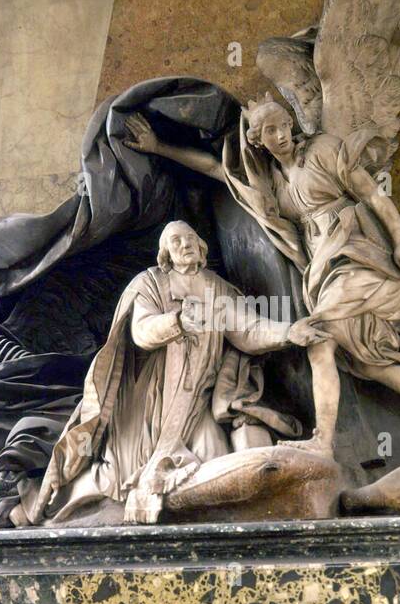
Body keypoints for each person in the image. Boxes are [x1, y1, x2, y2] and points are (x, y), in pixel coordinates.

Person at [124, 102, 400, 458]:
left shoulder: (324, 150)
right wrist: (158, 147)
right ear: (257, 140)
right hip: (321, 269)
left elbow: (372, 194)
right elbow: (216, 168)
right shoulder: (269, 182)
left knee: (319, 340)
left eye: (285, 125)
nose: (282, 134)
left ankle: (324, 442)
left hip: (357, 254)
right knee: (360, 359)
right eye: (271, 131)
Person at [27, 220, 325, 525]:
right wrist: (177, 321)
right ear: (166, 253)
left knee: (215, 455)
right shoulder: (150, 283)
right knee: (115, 479)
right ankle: (47, 507)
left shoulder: (216, 288)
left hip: (196, 402)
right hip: (148, 404)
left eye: (190, 238)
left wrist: (289, 332)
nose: (185, 244)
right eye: (176, 241)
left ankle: (202, 525)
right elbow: (141, 331)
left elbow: (248, 330)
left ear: (201, 246)